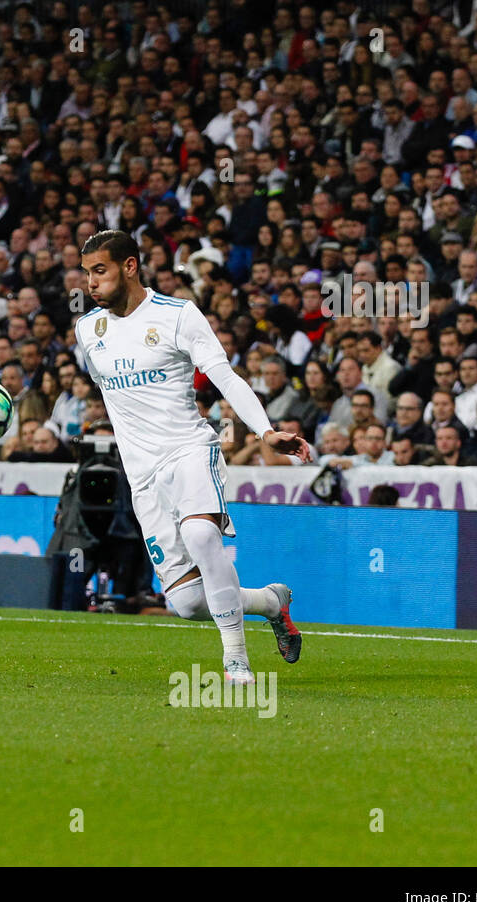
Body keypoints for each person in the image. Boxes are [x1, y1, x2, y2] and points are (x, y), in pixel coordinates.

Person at [76, 230, 311, 685]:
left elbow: (226, 376)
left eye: (99, 271)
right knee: (186, 604)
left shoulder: (178, 315)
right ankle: (271, 603)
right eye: (87, 274)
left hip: (188, 450)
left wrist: (264, 431)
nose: (91, 284)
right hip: (142, 477)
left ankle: (236, 661)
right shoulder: (89, 330)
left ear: (130, 266)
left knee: (204, 536)